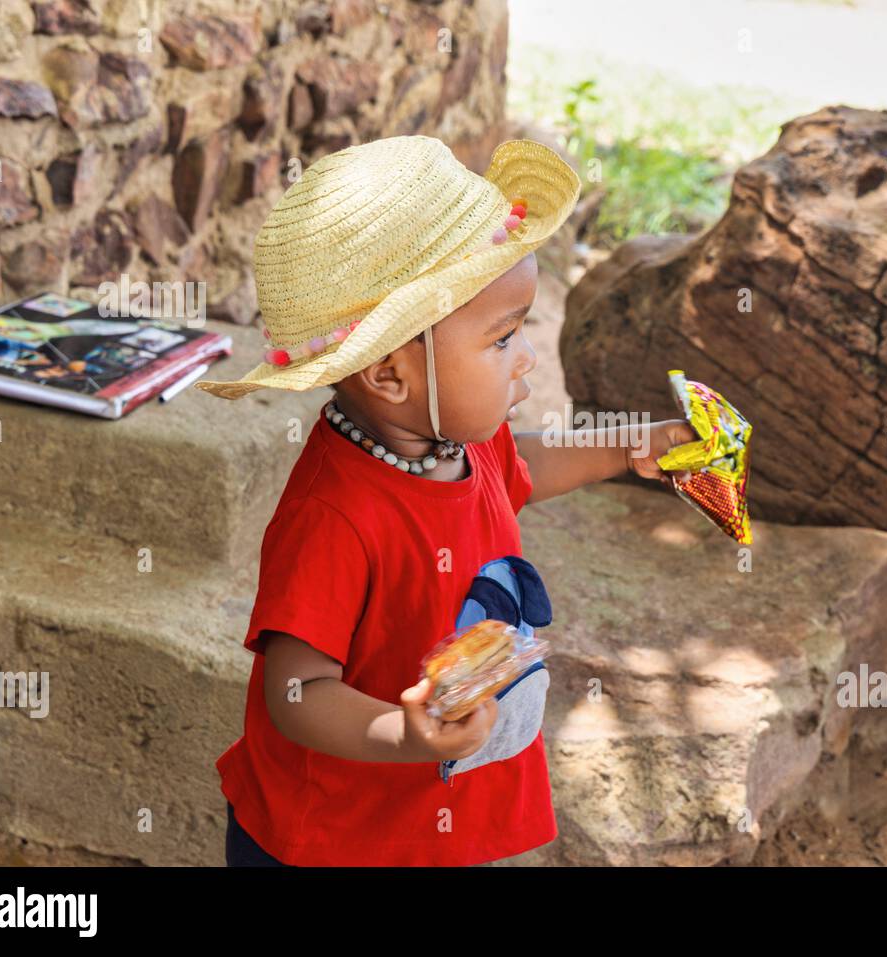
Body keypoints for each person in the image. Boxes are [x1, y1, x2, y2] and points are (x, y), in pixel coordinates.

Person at [194, 135, 694, 866]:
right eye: (502, 338)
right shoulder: (334, 514)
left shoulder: (456, 436)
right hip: (338, 838)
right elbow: (295, 689)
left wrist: (630, 445)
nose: (526, 357)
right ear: (393, 373)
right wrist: (403, 734)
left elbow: (520, 465)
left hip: (437, 816)